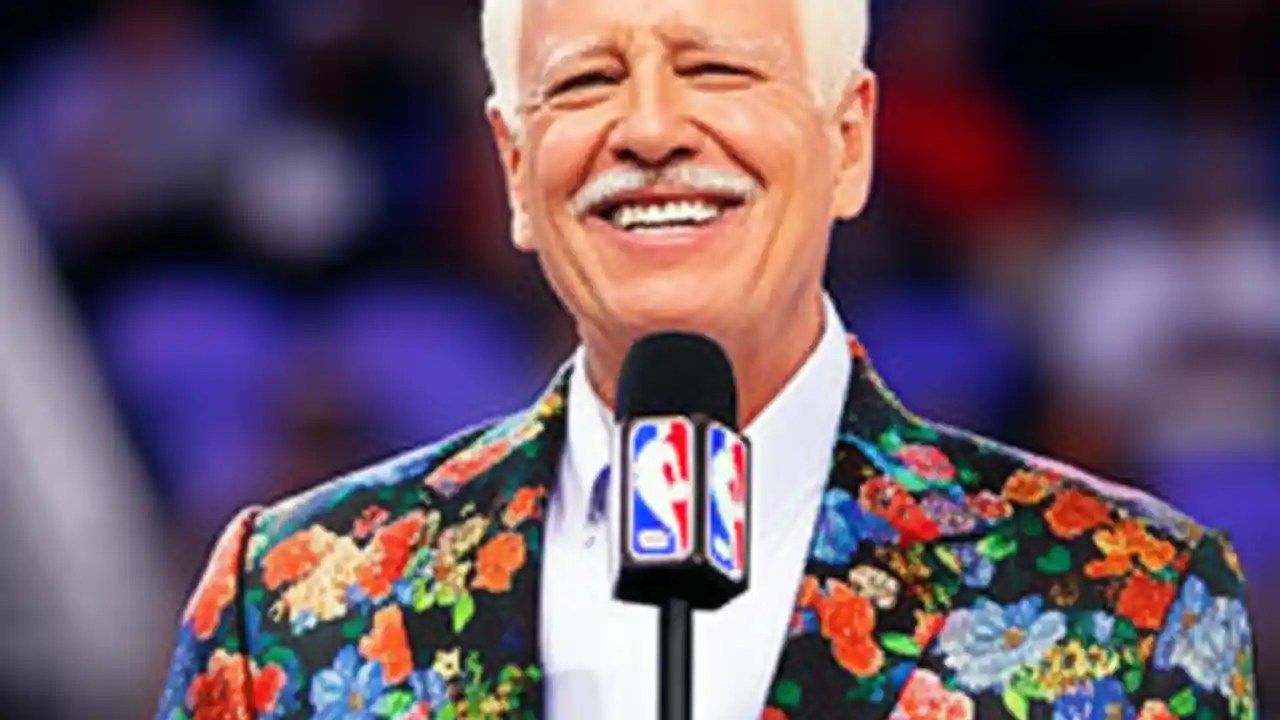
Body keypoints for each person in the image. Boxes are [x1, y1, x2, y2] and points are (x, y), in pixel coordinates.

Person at [156, 0, 1258, 718]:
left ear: (847, 141)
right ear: (512, 167)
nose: (647, 129)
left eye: (715, 68)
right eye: (585, 82)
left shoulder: (1126, 600)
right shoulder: (292, 599)